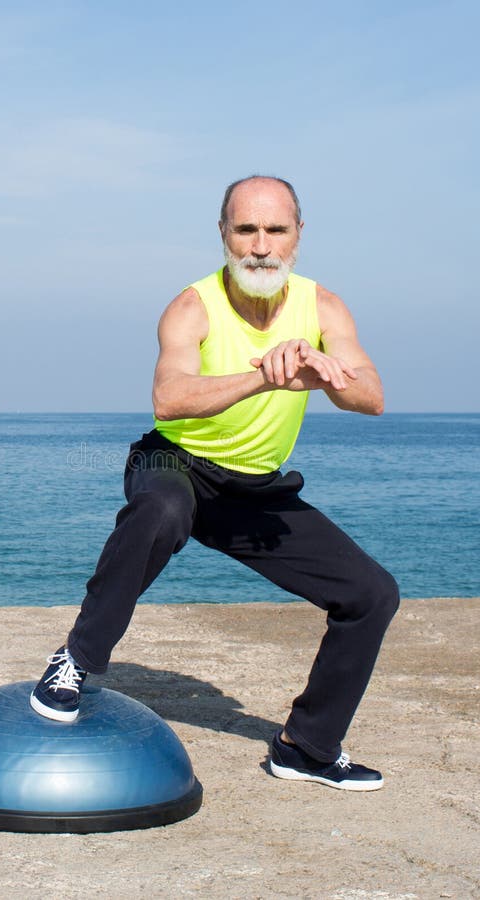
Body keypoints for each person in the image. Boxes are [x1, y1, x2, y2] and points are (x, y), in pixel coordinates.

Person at [30, 175, 400, 791]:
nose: (260, 245)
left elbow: (372, 395)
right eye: (246, 229)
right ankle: (76, 660)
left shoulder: (324, 306)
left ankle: (306, 747)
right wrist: (263, 376)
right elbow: (169, 399)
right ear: (224, 234)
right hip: (174, 465)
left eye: (275, 230)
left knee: (372, 594)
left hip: (254, 493)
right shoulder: (192, 306)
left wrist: (315, 370)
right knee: (160, 514)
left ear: (298, 237)